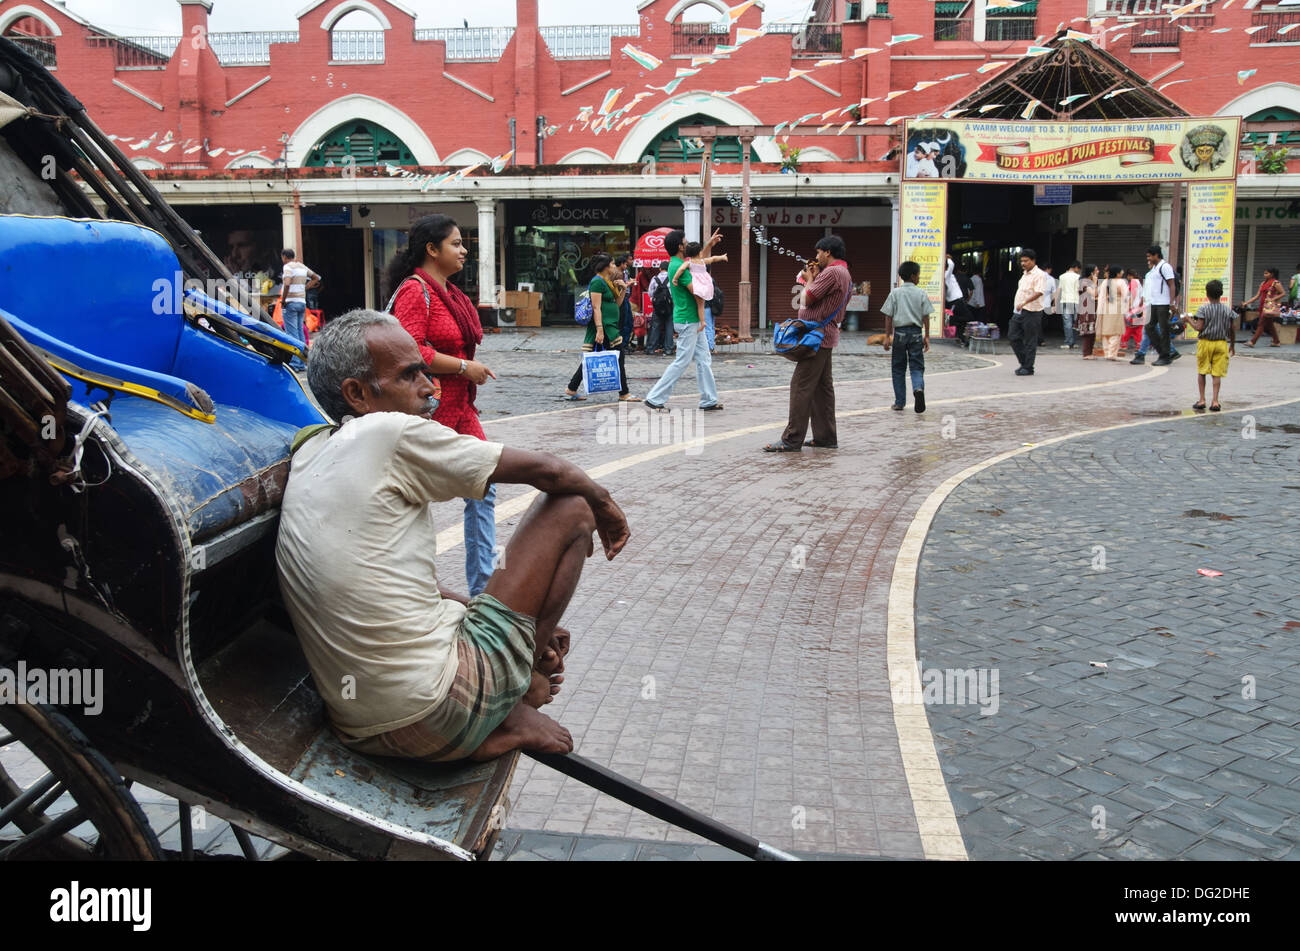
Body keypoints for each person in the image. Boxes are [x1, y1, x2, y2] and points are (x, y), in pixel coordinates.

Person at [277, 310, 630, 762]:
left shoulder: (312, 449)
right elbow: (551, 472)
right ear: (358, 394)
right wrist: (603, 504)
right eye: (409, 376)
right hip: (438, 708)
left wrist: (503, 620)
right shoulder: (385, 431)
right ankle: (517, 692)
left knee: (478, 612)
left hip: (368, 728)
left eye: (426, 370)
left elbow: (407, 587)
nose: (430, 386)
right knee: (572, 507)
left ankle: (507, 691)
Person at [386, 214, 499, 597]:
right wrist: (465, 367)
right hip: (428, 409)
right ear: (432, 250)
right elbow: (410, 350)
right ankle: (406, 586)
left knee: (484, 484)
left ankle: (482, 588)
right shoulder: (415, 292)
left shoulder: (450, 293)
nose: (464, 250)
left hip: (460, 408)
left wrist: (465, 374)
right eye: (455, 243)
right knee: (412, 496)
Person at [762, 235, 853, 451]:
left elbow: (806, 298)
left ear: (828, 252)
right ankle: (825, 436)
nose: (817, 257)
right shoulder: (844, 272)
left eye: (819, 253)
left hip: (816, 337)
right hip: (825, 335)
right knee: (822, 389)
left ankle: (791, 439)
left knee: (801, 386)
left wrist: (809, 278)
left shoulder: (832, 272)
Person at [644, 229, 724, 412]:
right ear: (680, 246)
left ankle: (708, 400)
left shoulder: (677, 263)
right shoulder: (678, 265)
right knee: (682, 361)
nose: (687, 242)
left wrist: (709, 245)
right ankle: (655, 398)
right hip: (689, 320)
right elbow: (696, 290)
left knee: (704, 359)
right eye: (685, 241)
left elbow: (697, 260)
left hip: (693, 319)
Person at [563, 253, 640, 403]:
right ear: (604, 267)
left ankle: (572, 388)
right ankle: (624, 393)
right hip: (604, 327)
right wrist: (599, 329)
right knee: (619, 357)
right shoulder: (597, 282)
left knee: (591, 358)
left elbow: (616, 304)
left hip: (609, 325)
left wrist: (623, 289)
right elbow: (596, 307)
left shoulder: (607, 281)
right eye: (611, 264)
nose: (614, 266)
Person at [880, 260, 933, 413]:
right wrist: (927, 336)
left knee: (898, 368)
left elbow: (888, 316)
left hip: (900, 334)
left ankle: (899, 402)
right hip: (916, 334)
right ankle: (918, 389)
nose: (919, 278)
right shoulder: (921, 293)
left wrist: (887, 336)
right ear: (913, 275)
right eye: (918, 275)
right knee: (916, 366)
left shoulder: (895, 293)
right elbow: (926, 316)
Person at [1187, 279, 1235, 412]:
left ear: (1207, 294)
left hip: (1205, 343)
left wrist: (1188, 320)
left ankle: (1202, 400)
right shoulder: (1227, 310)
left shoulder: (1204, 309)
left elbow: (1198, 327)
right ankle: (1215, 401)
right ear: (1221, 294)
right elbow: (1232, 329)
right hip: (1221, 344)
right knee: (1217, 374)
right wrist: (1232, 345)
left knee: (1202, 371)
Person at [673, 240, 728, 352]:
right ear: (699, 253)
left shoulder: (689, 263)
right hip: (705, 284)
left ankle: (702, 322)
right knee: (701, 304)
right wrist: (722, 257)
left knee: (699, 305)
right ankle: (703, 322)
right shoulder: (703, 261)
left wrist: (675, 278)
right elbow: (713, 258)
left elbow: (681, 269)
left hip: (696, 285)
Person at [1010, 249, 1047, 376]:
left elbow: (1039, 291)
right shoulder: (1024, 274)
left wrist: (1024, 302)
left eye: (1026, 261)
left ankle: (1028, 367)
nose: (1023, 263)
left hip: (1032, 311)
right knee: (1013, 336)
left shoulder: (1039, 274)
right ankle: (1025, 363)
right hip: (1019, 311)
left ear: (1033, 261)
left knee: (1030, 339)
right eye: (1022, 261)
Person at [1142, 245, 1179, 366]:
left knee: (1164, 330)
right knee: (1149, 327)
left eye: (1150, 256)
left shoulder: (1165, 266)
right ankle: (1163, 352)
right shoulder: (1155, 268)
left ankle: (1165, 356)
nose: (1148, 259)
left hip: (1163, 303)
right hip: (1154, 303)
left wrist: (1171, 303)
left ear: (1156, 255)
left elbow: (1172, 284)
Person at [279, 249, 320, 352]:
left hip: (290, 303)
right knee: (300, 331)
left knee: (292, 334)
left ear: (284, 257)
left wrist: (283, 300)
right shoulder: (302, 266)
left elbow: (287, 283)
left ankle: (296, 362)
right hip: (301, 303)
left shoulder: (287, 267)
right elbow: (316, 278)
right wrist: (304, 288)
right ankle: (302, 359)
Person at [1244, 266, 1284, 348]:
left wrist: (1272, 299)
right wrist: (1247, 302)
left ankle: (1252, 342)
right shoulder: (1263, 283)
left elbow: (1283, 293)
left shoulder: (1276, 283)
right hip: (1263, 306)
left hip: (1269, 307)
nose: (1264, 275)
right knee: (1270, 325)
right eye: (1264, 273)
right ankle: (1276, 342)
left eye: (1266, 273)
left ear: (1272, 274)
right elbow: (1257, 296)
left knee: (1261, 324)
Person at [1096, 265, 1129, 361]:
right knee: (1116, 332)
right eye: (1121, 272)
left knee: (1106, 332)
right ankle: (1112, 353)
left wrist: (1100, 310)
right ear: (1118, 273)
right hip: (1117, 309)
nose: (1122, 273)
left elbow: (1101, 297)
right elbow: (1126, 296)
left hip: (1106, 309)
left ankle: (1107, 353)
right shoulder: (1121, 282)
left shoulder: (1105, 282)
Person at [646, 261, 674, 355]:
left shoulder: (655, 278)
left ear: (660, 269)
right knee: (669, 326)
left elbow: (650, 292)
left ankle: (651, 348)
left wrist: (654, 301)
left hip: (657, 307)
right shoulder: (671, 278)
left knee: (655, 326)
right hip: (669, 306)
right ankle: (669, 349)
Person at [944, 253, 972, 346]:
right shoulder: (945, 275)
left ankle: (962, 337)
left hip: (956, 300)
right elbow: (951, 265)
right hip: (956, 300)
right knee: (968, 317)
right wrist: (947, 258)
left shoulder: (947, 275)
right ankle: (953, 320)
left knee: (963, 320)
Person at [1057, 261, 1080, 350]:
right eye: (1078, 269)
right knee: (1075, 323)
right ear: (1076, 267)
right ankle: (1073, 342)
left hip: (1065, 301)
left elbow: (1059, 289)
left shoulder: (1062, 276)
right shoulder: (1078, 277)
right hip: (1076, 301)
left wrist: (1055, 301)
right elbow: (1079, 290)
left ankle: (1067, 342)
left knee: (1067, 323)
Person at [1076, 264, 1098, 359]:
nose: (1098, 272)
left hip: (1091, 308)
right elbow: (1094, 293)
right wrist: (1095, 282)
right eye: (1096, 270)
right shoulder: (1085, 282)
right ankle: (1086, 353)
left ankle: (1089, 353)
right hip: (1087, 310)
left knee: (1092, 332)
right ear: (1091, 272)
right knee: (1088, 332)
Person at [1040, 265, 1057, 347]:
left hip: (1036, 304)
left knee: (1037, 322)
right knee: (1043, 322)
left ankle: (1038, 338)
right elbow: (1054, 292)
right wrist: (1054, 303)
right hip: (1046, 304)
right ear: (1048, 269)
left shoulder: (1037, 277)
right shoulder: (1051, 279)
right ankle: (1040, 339)